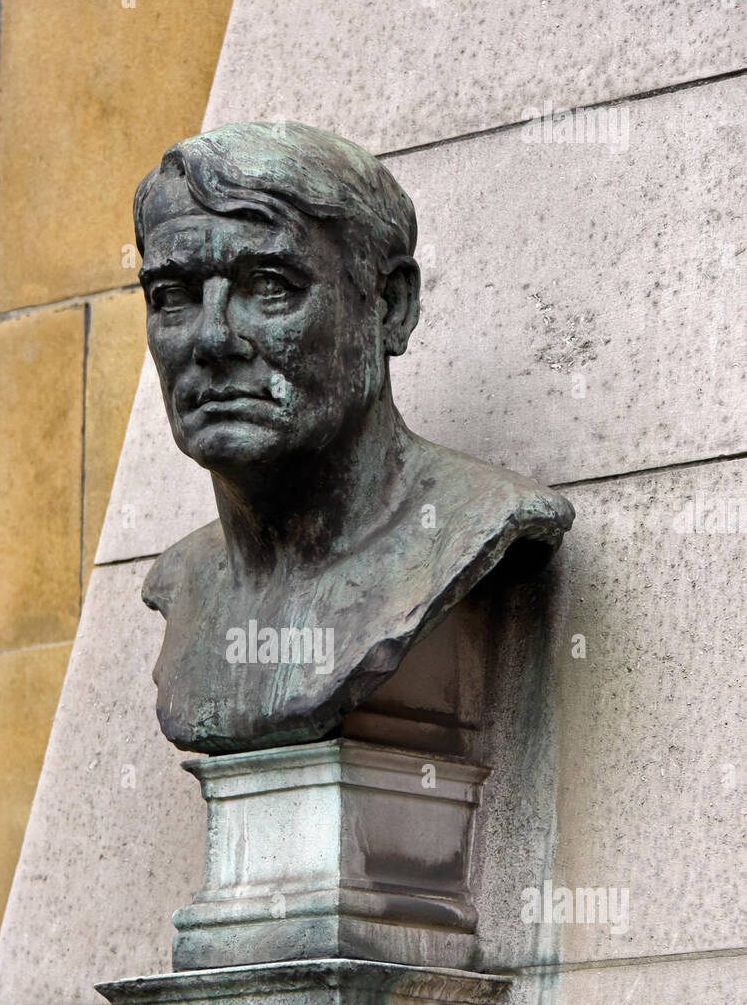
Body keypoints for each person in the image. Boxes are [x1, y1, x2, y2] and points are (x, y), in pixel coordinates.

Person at [135, 121, 573, 753]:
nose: (211, 340)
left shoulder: (469, 526)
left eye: (270, 286)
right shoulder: (180, 579)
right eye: (172, 296)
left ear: (390, 307)